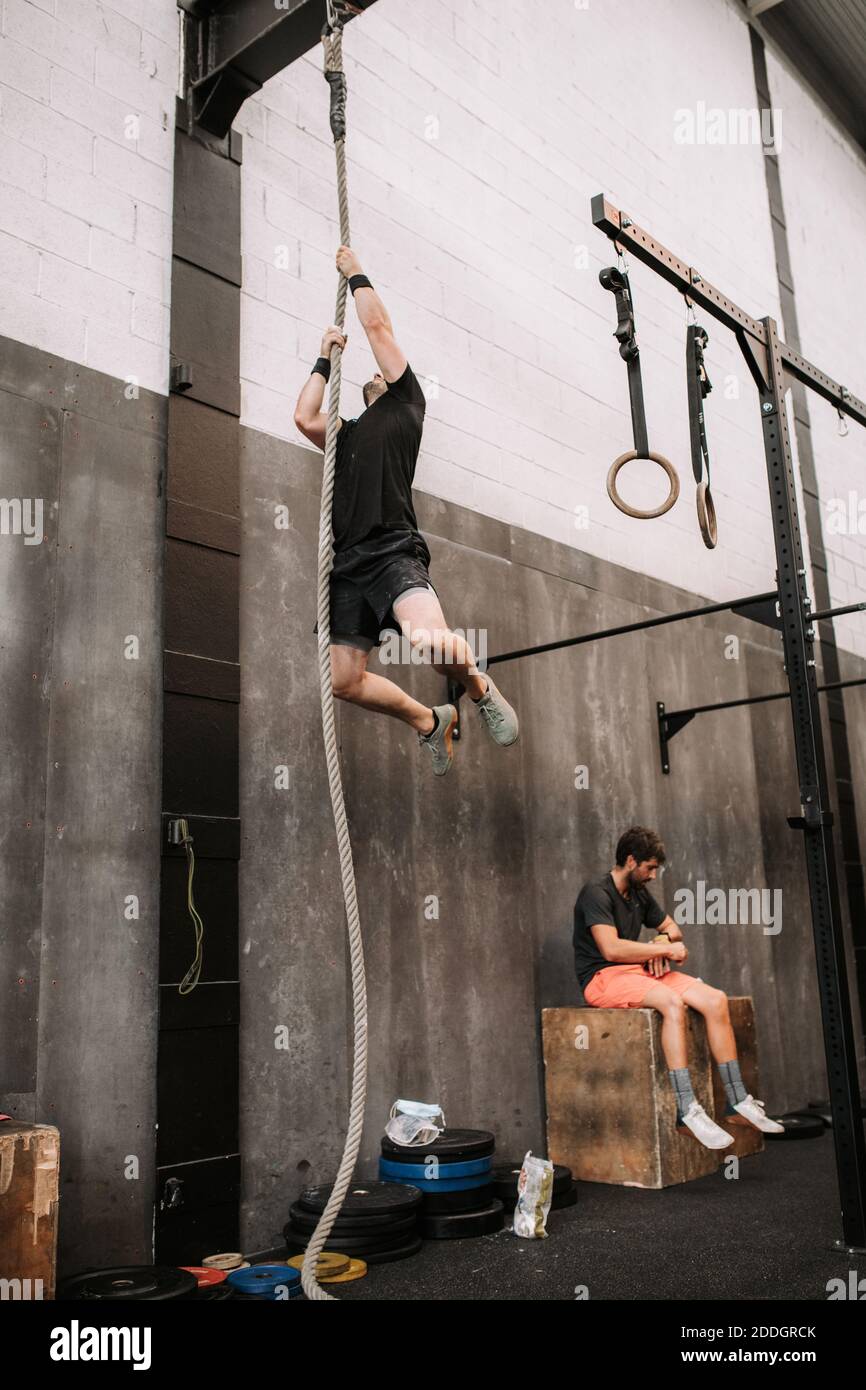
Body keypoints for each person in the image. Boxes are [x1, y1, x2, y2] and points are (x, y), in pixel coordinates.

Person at [293, 245, 518, 776]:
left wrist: (356, 275)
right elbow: (304, 417)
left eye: (379, 376)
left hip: (393, 550)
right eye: (369, 378)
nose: (373, 375)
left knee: (428, 641)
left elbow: (378, 332)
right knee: (344, 681)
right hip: (347, 567)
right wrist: (324, 357)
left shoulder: (406, 406)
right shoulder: (345, 435)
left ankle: (479, 689)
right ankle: (429, 720)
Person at [573, 825, 784, 1149]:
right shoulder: (596, 892)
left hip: (637, 972)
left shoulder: (639, 894)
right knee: (672, 1003)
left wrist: (662, 941)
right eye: (650, 868)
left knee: (715, 1000)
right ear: (631, 861)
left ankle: (737, 1101)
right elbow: (611, 949)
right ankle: (686, 1109)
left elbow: (672, 929)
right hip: (602, 979)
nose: (654, 875)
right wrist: (663, 950)